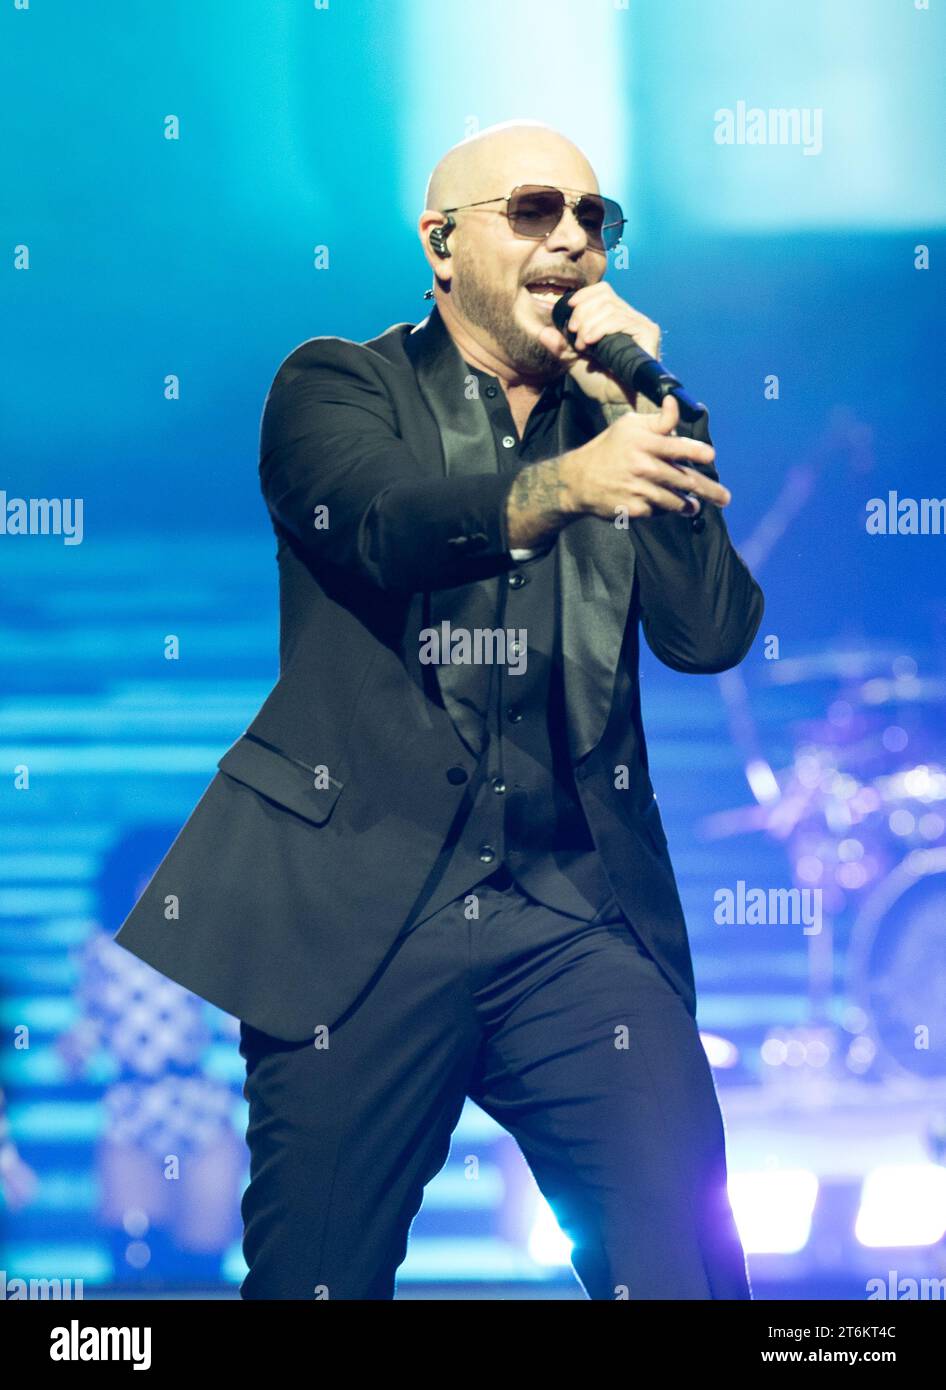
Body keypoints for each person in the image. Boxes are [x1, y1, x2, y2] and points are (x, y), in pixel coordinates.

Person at [114, 119, 764, 1300]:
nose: (570, 239)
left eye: (592, 219)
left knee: (687, 1260)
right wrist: (564, 485)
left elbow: (708, 634)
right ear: (441, 243)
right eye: (531, 212)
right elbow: (380, 524)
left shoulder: (617, 422)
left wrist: (654, 415)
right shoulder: (337, 385)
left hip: (573, 916)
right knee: (318, 1277)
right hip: (362, 908)